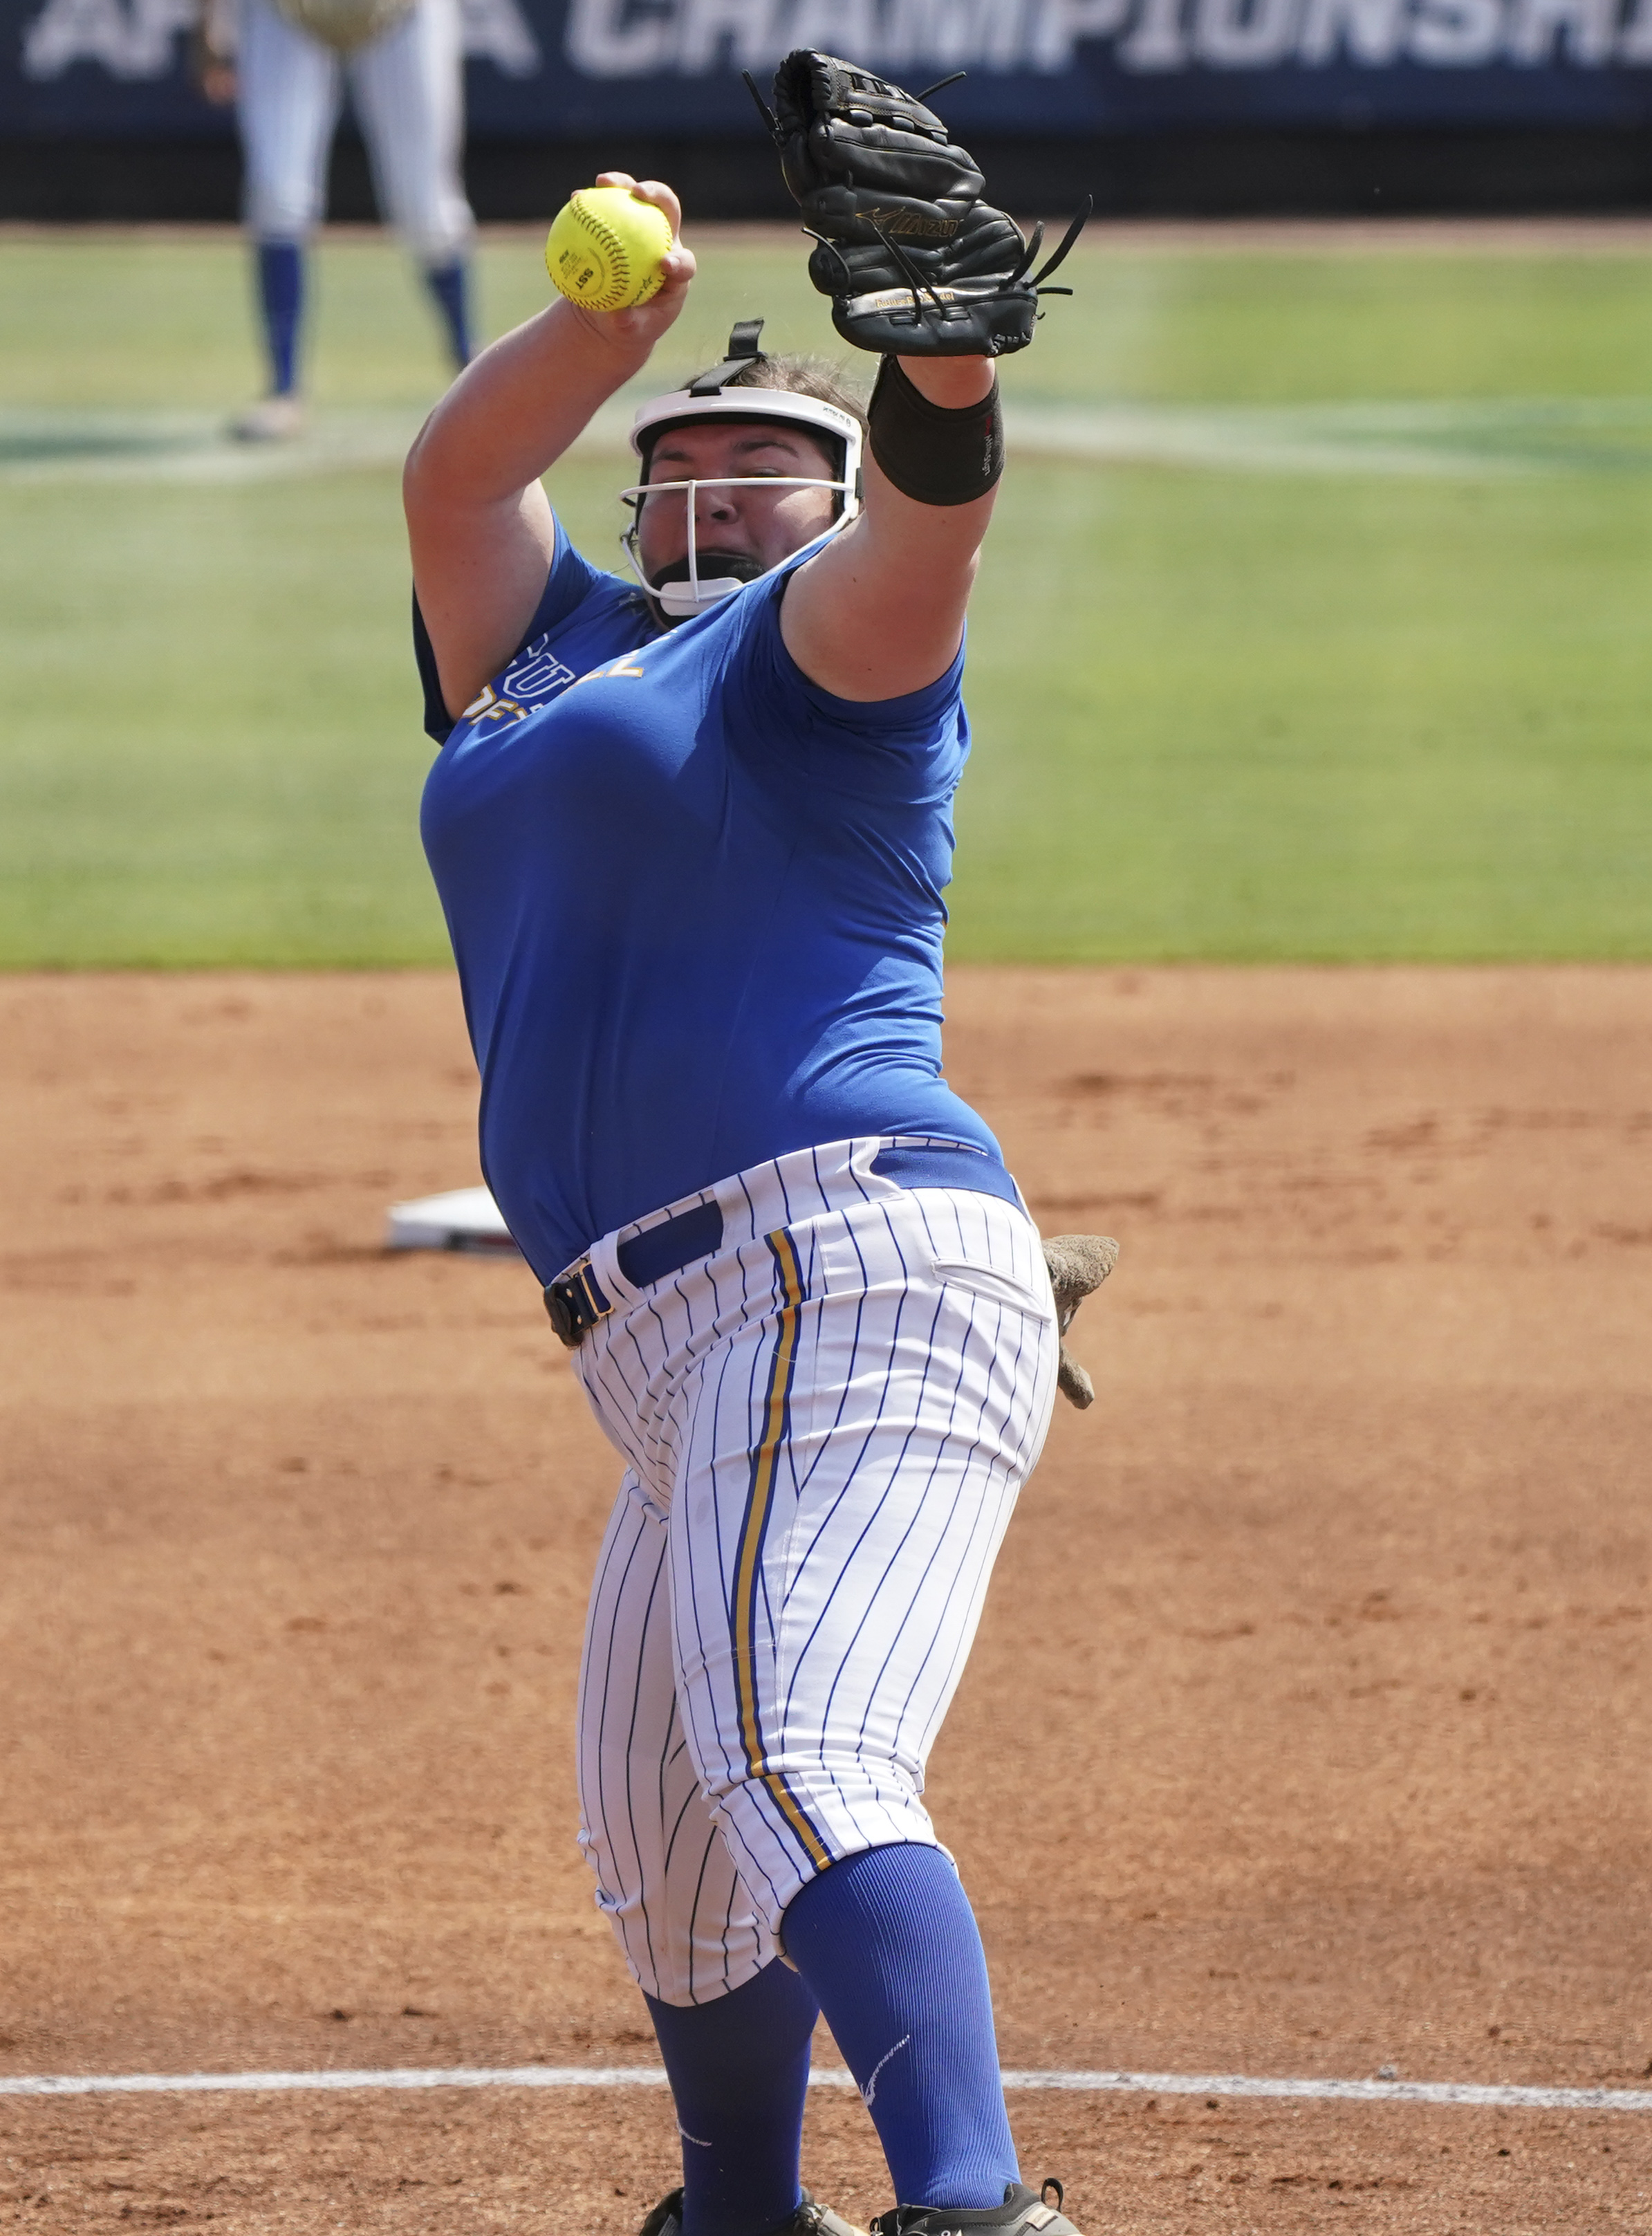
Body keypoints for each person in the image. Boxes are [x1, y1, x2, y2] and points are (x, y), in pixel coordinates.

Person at [405, 54, 1106, 2236]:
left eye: (764, 462)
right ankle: (734, 2210)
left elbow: (931, 521)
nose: (714, 485)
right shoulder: (542, 660)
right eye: (680, 462)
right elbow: (453, 480)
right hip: (679, 1346)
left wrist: (944, 367)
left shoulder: (827, 664)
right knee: (660, 1835)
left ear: (824, 499)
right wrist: (590, 336)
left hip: (833, 1264)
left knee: (798, 1752)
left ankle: (974, 2209)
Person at [195, 0, 474, 441]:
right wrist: (212, 21)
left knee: (427, 209)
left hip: (402, 12)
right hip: (284, 13)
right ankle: (283, 391)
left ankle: (472, 366)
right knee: (277, 195)